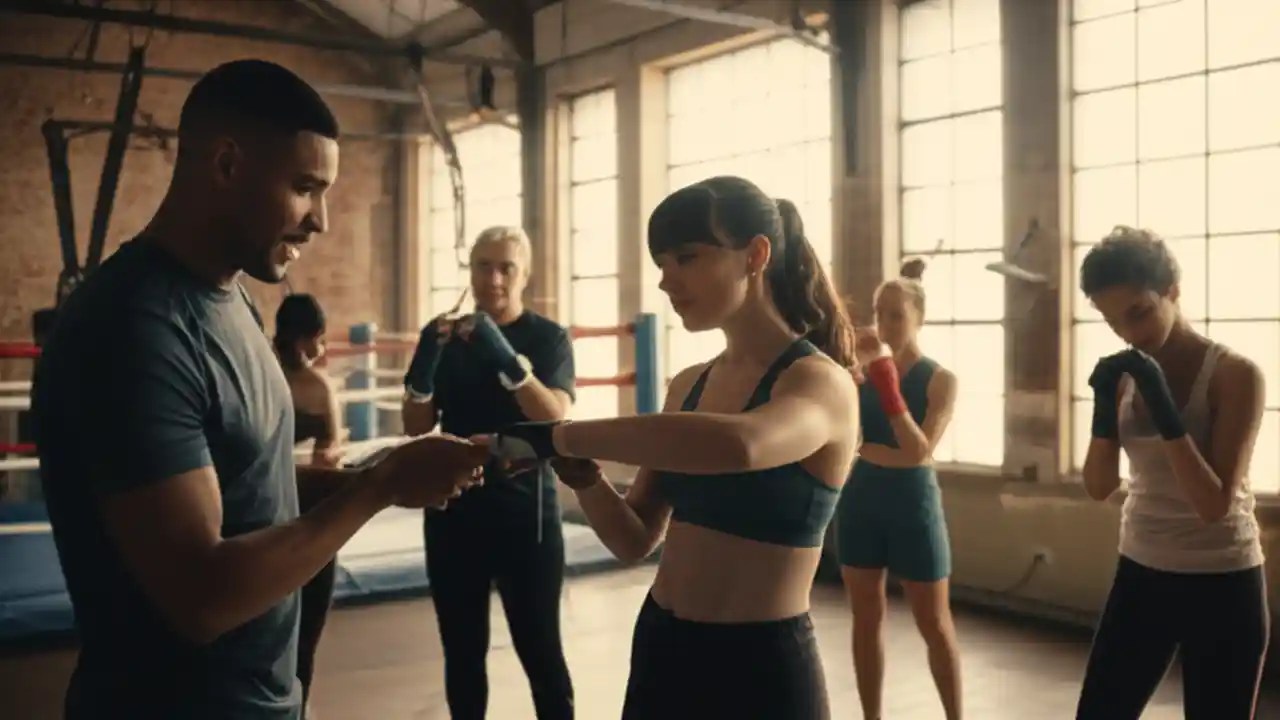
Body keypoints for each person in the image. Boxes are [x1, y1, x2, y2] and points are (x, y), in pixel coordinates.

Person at [31, 59, 487, 720]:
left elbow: (250, 487)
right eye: (305, 187)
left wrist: (385, 472)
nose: (321, 220)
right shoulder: (131, 328)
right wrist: (379, 487)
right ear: (226, 164)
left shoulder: (233, 301)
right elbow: (201, 597)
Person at [487, 176, 860, 719]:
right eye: (662, 262)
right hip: (664, 647)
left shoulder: (818, 384)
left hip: (761, 666)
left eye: (687, 257)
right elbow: (635, 538)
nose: (666, 281)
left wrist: (553, 436)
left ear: (755, 254)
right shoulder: (688, 385)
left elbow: (743, 444)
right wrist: (584, 477)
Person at [1075, 226, 1268, 720]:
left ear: (1173, 292)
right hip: (1142, 569)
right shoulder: (1123, 379)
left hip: (1223, 576)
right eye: (1112, 321)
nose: (1128, 333)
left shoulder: (1235, 375)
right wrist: (1103, 409)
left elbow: (1213, 504)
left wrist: (1164, 409)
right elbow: (1099, 488)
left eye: (1138, 312)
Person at [401, 225, 577, 720]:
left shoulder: (548, 338)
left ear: (525, 275)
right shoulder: (444, 337)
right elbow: (417, 426)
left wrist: (507, 360)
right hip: (454, 512)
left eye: (506, 267)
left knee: (541, 653)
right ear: (471, 271)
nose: (494, 278)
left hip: (527, 519)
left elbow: (555, 417)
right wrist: (423, 366)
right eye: (483, 265)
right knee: (462, 655)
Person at [835, 258, 962, 720]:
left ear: (918, 318)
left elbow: (916, 451)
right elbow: (843, 442)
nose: (884, 323)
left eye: (895, 314)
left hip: (913, 507)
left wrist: (886, 386)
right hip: (861, 503)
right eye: (878, 311)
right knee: (865, 620)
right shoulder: (856, 375)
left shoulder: (941, 380)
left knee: (934, 623)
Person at [273, 293, 343, 718]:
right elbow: (329, 461)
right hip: (310, 521)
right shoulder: (318, 389)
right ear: (306, 340)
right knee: (304, 636)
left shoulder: (254, 371)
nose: (322, 351)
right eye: (319, 340)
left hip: (256, 517)